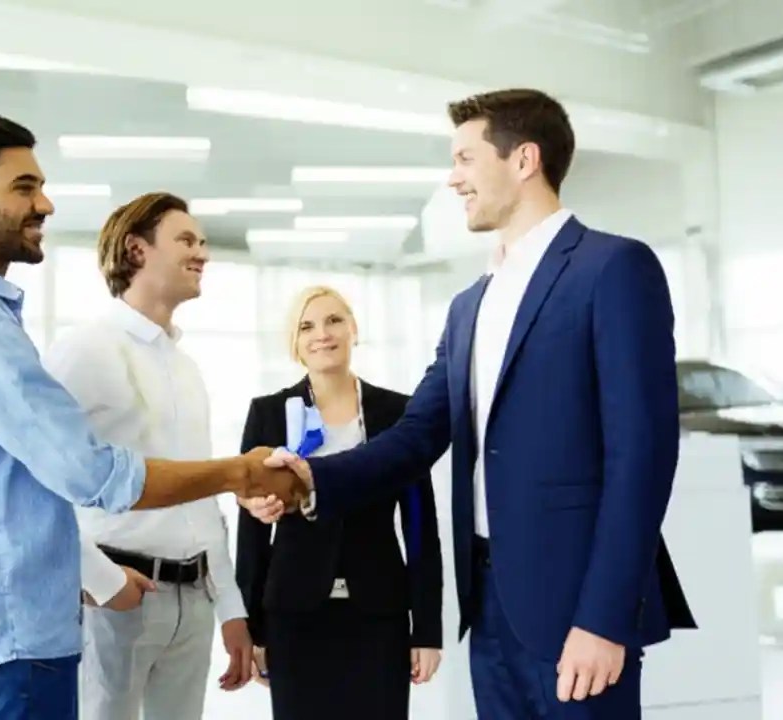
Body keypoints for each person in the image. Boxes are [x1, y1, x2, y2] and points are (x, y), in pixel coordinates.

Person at [252, 89, 697, 719]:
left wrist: (605, 617)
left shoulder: (613, 268)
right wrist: (308, 477)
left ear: (523, 161)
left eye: (465, 158)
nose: (452, 177)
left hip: (578, 610)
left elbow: (643, 458)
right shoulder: (469, 306)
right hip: (490, 605)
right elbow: (414, 437)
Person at [0, 114, 305, 720]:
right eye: (24, 187)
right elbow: (89, 475)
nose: (46, 203)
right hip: (14, 636)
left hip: (27, 631)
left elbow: (38, 476)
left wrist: (228, 603)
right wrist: (236, 474)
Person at [43, 191, 253, 720]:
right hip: (117, 596)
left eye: (203, 242)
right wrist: (97, 580)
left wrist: (230, 605)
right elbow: (37, 477)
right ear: (137, 251)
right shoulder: (85, 348)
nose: (202, 252)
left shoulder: (185, 368)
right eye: (186, 240)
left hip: (193, 599)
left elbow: (203, 493)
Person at [235, 285, 444, 720]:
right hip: (294, 614)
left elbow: (421, 525)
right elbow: (252, 532)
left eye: (334, 321)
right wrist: (252, 628)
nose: (322, 334)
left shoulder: (397, 413)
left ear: (353, 329)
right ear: (294, 343)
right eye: (307, 326)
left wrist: (427, 629)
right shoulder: (269, 413)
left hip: (378, 613)